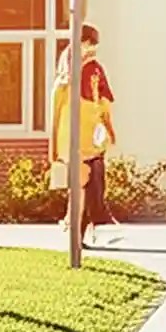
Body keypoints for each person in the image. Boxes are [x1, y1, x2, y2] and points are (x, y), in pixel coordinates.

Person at [49, 23, 119, 249]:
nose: (90, 49)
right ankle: (80, 232)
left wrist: (108, 129)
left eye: (92, 45)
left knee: (91, 184)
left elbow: (103, 102)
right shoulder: (65, 80)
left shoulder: (94, 70)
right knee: (83, 186)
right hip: (75, 141)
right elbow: (56, 114)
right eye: (86, 44)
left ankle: (79, 231)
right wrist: (54, 148)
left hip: (91, 139)